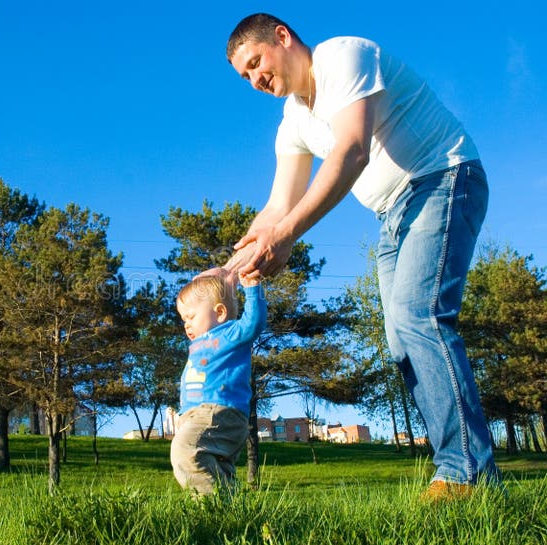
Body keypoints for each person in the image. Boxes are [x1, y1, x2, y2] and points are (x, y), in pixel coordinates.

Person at [216, 13, 499, 500]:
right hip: (392, 212)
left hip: (444, 178)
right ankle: (457, 468)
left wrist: (286, 236)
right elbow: (276, 208)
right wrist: (224, 272)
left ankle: (465, 472)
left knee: (419, 318)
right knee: (400, 339)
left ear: (282, 38)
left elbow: (351, 152)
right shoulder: (294, 122)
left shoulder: (342, 57)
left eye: (256, 63)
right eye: (246, 76)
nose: (256, 79)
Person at [170, 274, 267, 495]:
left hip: (218, 411)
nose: (187, 324)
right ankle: (230, 510)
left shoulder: (229, 333)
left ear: (220, 312)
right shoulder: (198, 343)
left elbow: (254, 322)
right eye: (184, 319)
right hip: (198, 414)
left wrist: (252, 286)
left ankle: (213, 505)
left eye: (192, 316)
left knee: (185, 450)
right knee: (217, 467)